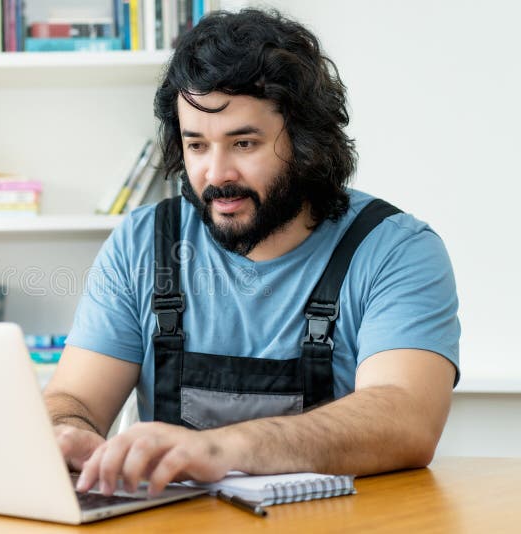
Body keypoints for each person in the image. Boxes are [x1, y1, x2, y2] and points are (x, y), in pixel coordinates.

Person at [44, 8, 460, 498]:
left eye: (243, 143)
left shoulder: (396, 250)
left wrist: (219, 450)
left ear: (307, 143)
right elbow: (74, 397)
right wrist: (64, 429)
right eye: (197, 145)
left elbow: (406, 418)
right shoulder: (142, 243)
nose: (217, 174)